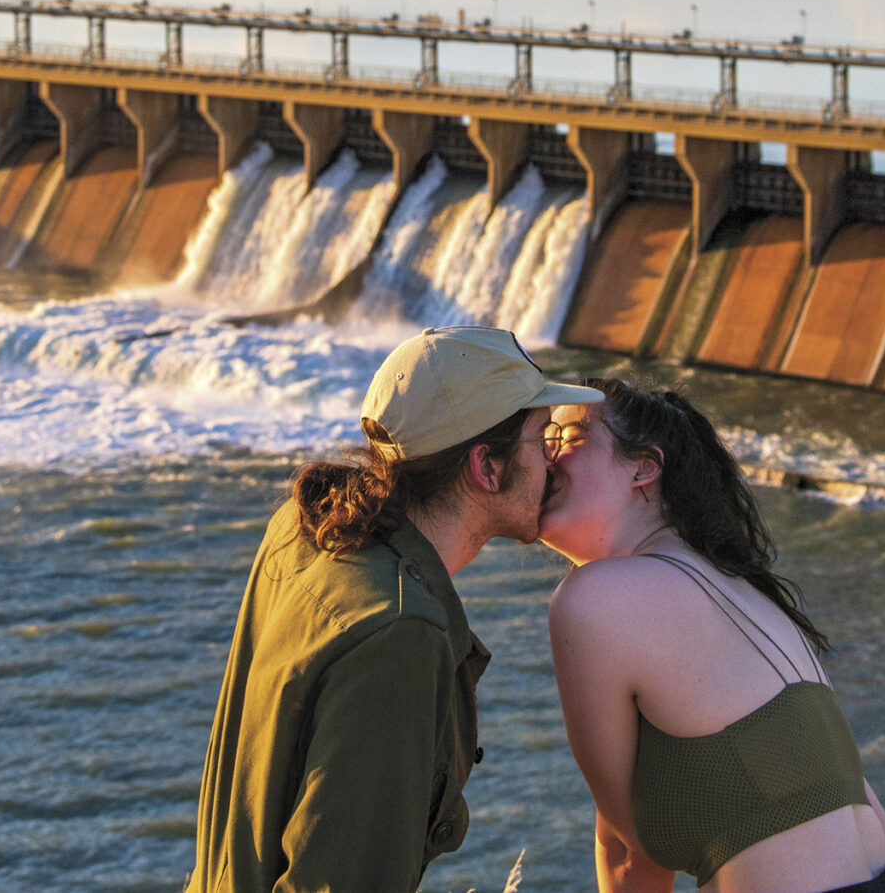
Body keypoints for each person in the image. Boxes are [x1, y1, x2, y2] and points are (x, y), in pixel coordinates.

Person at [188, 326, 605, 893]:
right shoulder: (402, 632)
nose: (554, 460)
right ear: (487, 467)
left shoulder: (303, 528)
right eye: (542, 436)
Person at [538, 376, 885, 893]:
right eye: (544, 443)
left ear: (643, 467)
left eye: (568, 438)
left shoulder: (594, 596)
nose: (548, 458)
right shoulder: (748, 593)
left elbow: (631, 855)